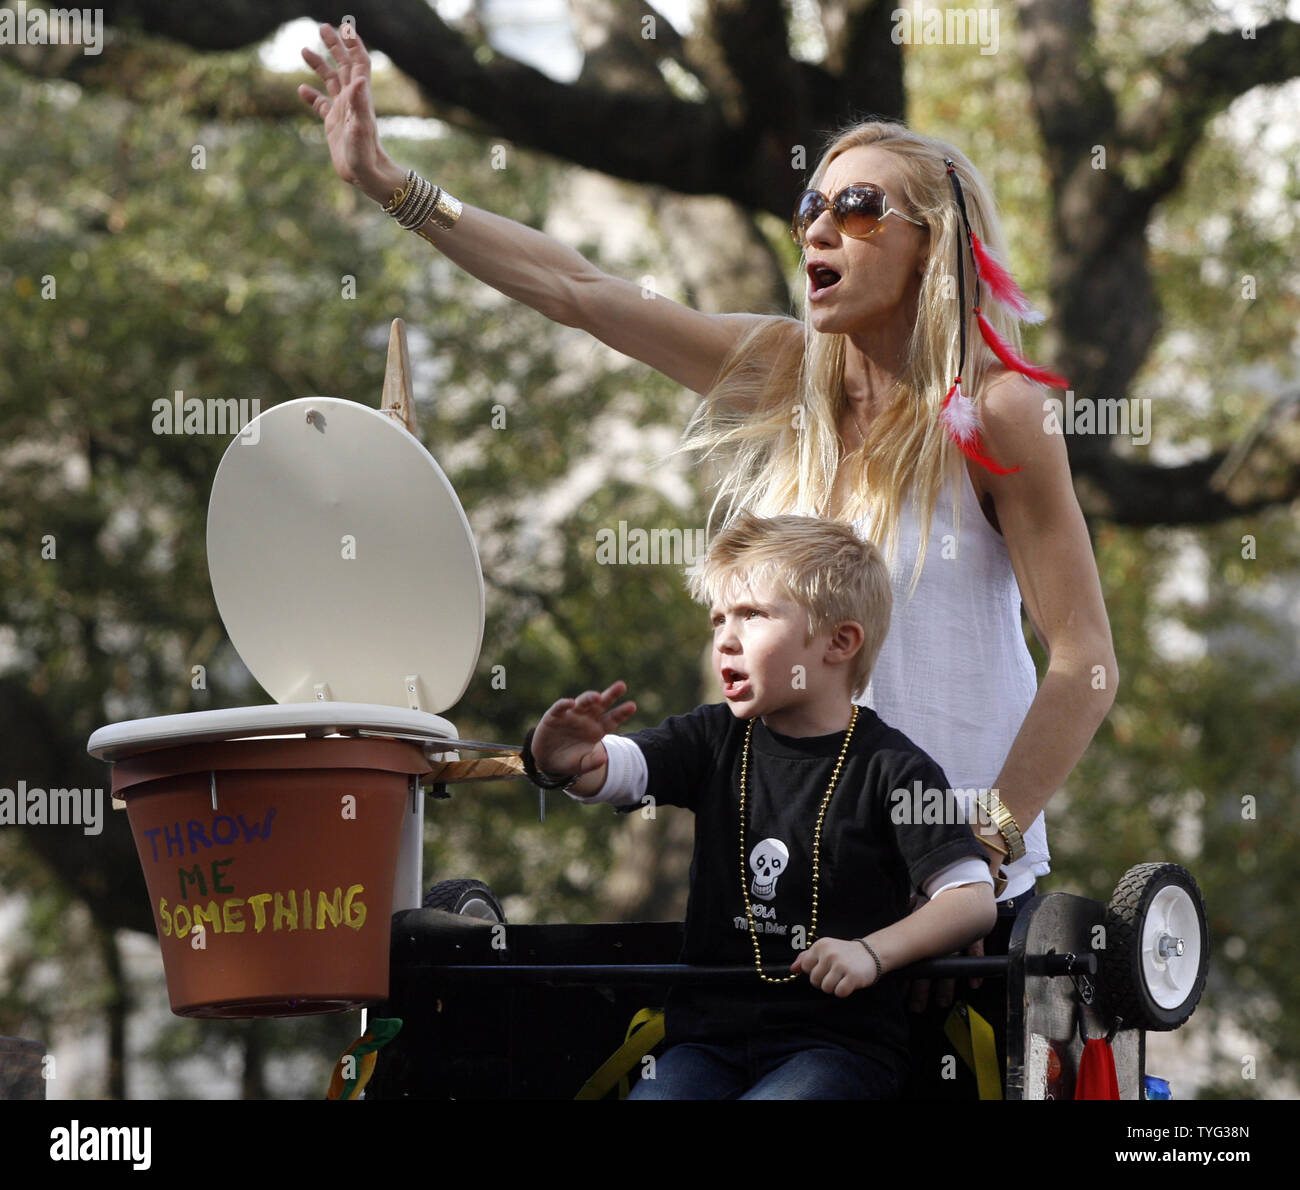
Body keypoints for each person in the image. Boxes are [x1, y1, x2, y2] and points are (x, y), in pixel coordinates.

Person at [299, 21, 1118, 1093]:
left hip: (946, 899)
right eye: (810, 206)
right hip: (780, 892)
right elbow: (581, 291)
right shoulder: (784, 375)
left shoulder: (998, 415)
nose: (820, 224)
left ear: (935, 241)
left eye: (858, 206)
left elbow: (1086, 660)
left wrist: (994, 833)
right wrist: (390, 183)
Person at [525, 513, 996, 1099]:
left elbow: (971, 900)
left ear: (839, 642)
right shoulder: (714, 737)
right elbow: (621, 769)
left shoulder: (896, 769)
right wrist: (566, 761)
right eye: (719, 618)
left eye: (752, 615)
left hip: (838, 1050)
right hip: (704, 1043)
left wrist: (871, 953)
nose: (725, 637)